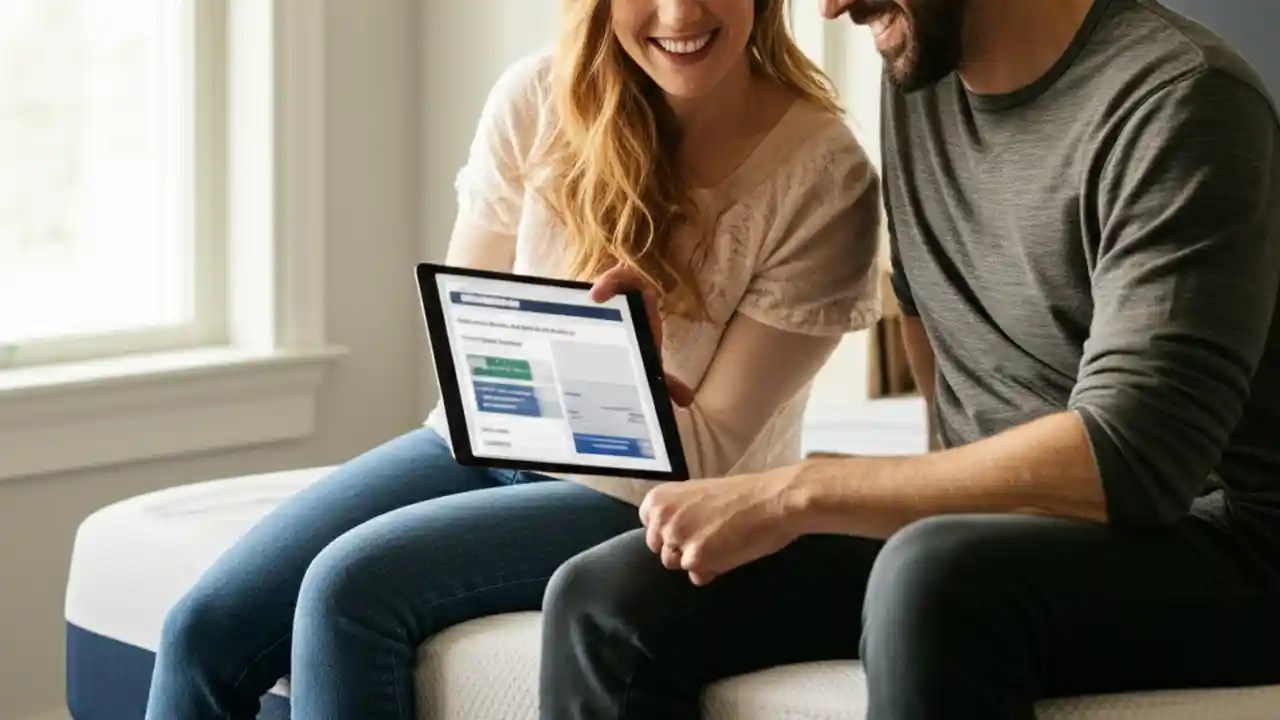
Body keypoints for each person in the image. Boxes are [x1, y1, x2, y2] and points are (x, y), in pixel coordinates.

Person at [540, 0, 1280, 718]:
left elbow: (1133, 458)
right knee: (608, 598)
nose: (830, 9)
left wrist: (803, 491)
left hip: (1219, 545)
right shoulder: (922, 72)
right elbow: (939, 344)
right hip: (996, 526)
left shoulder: (1180, 98)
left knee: (930, 574)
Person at [144, 0, 883, 718]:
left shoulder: (824, 176)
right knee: (203, 629)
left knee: (349, 588)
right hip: (481, 442)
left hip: (644, 493)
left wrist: (628, 376)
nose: (679, 13)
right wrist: (595, 362)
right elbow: (464, 348)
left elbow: (712, 450)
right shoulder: (536, 97)